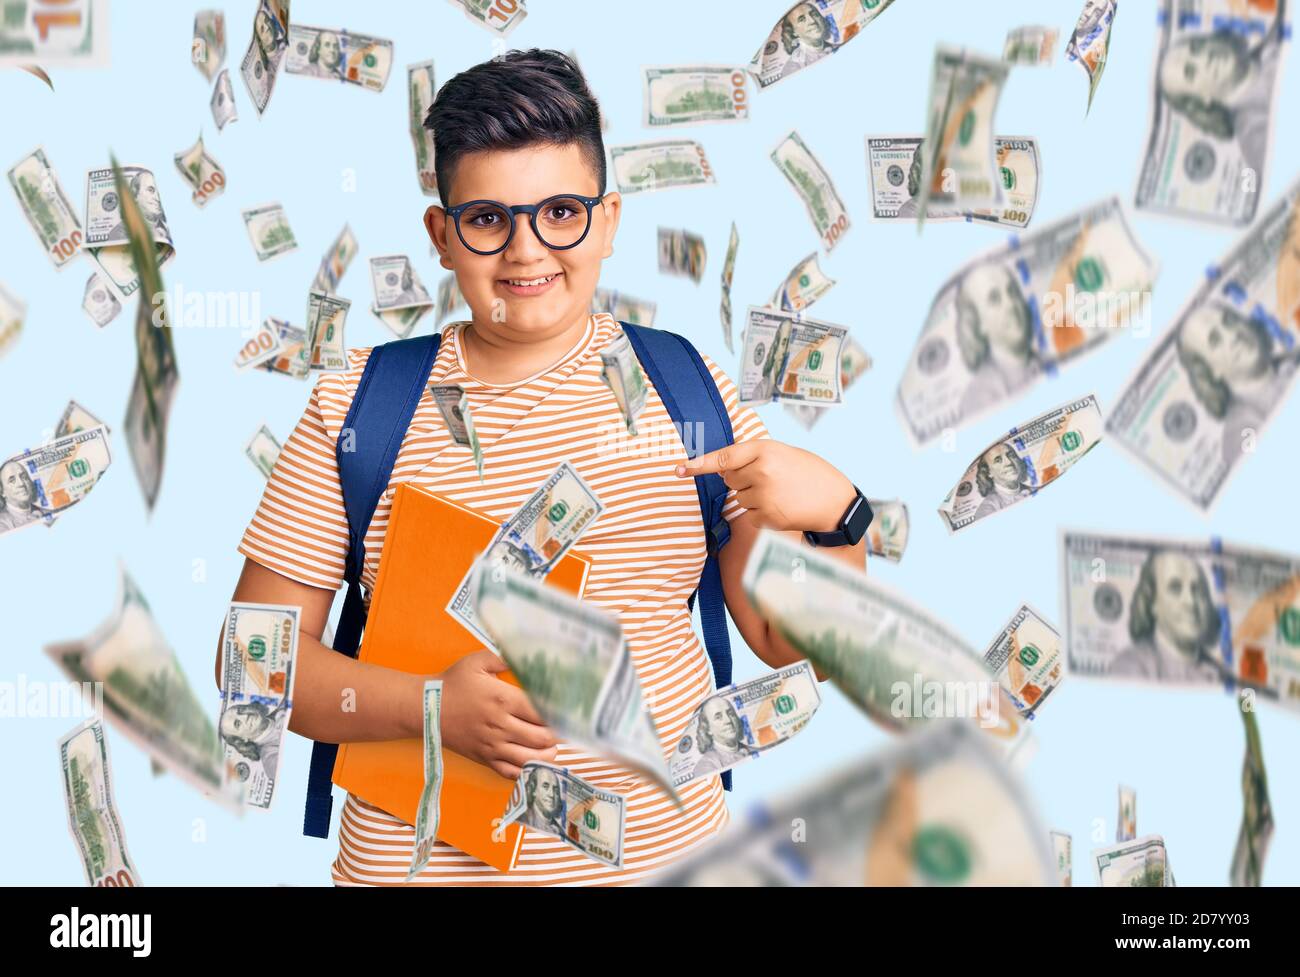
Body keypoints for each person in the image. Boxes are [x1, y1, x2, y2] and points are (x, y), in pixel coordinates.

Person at [217, 49, 867, 886]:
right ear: (441, 234)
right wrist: (433, 711)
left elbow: (784, 640)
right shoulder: (360, 407)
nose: (527, 251)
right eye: (488, 218)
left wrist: (844, 516)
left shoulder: (688, 390)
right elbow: (250, 661)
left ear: (608, 219)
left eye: (561, 211)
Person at [1175, 301, 1300, 468]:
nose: (1233, 336)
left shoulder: (1292, 360)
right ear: (1211, 371)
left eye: (1229, 322)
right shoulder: (1241, 432)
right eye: (1215, 341)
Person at [1107, 548, 1232, 684]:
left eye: (1196, 589)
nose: (1190, 601)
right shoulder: (1129, 667)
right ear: (1152, 603)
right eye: (1175, 588)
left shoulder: (1221, 674)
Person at [953, 262, 1039, 419]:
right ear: (978, 324)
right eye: (994, 299)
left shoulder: (1044, 361)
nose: (1011, 304)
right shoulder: (979, 396)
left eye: (1012, 292)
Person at [690, 696, 754, 778]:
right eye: (718, 717)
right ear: (708, 729)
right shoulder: (706, 766)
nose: (728, 720)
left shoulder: (754, 750)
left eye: (730, 713)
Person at [972, 441, 1033, 519]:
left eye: (1010, 455)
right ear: (988, 473)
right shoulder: (987, 509)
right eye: (998, 461)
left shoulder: (1035, 490)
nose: (1009, 462)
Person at [0, 458, 49, 534]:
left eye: (24, 477)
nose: (21, 484)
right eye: (12, 481)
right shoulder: (2, 523)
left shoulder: (47, 511)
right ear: (2, 492)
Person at [520, 766, 565, 835]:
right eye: (545, 787)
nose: (552, 794)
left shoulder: (560, 831)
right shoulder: (522, 820)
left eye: (555, 790)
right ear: (533, 789)